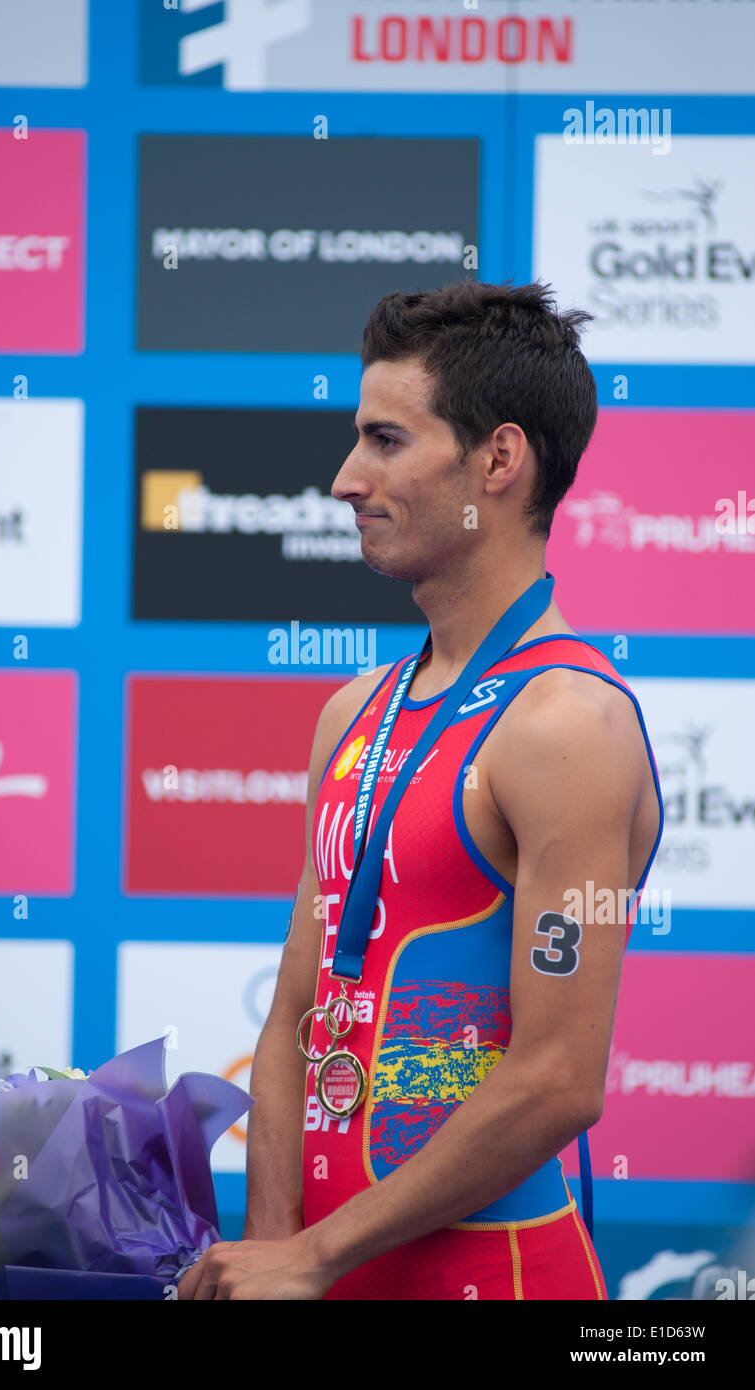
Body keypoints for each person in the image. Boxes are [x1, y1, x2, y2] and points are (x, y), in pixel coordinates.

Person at [177, 280, 663, 1301]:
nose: (346, 479)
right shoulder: (354, 710)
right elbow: (296, 1016)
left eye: (386, 441)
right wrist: (272, 1247)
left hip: (496, 1274)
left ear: (497, 460)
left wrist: (309, 1255)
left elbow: (559, 1081)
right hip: (325, 1270)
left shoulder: (566, 725)